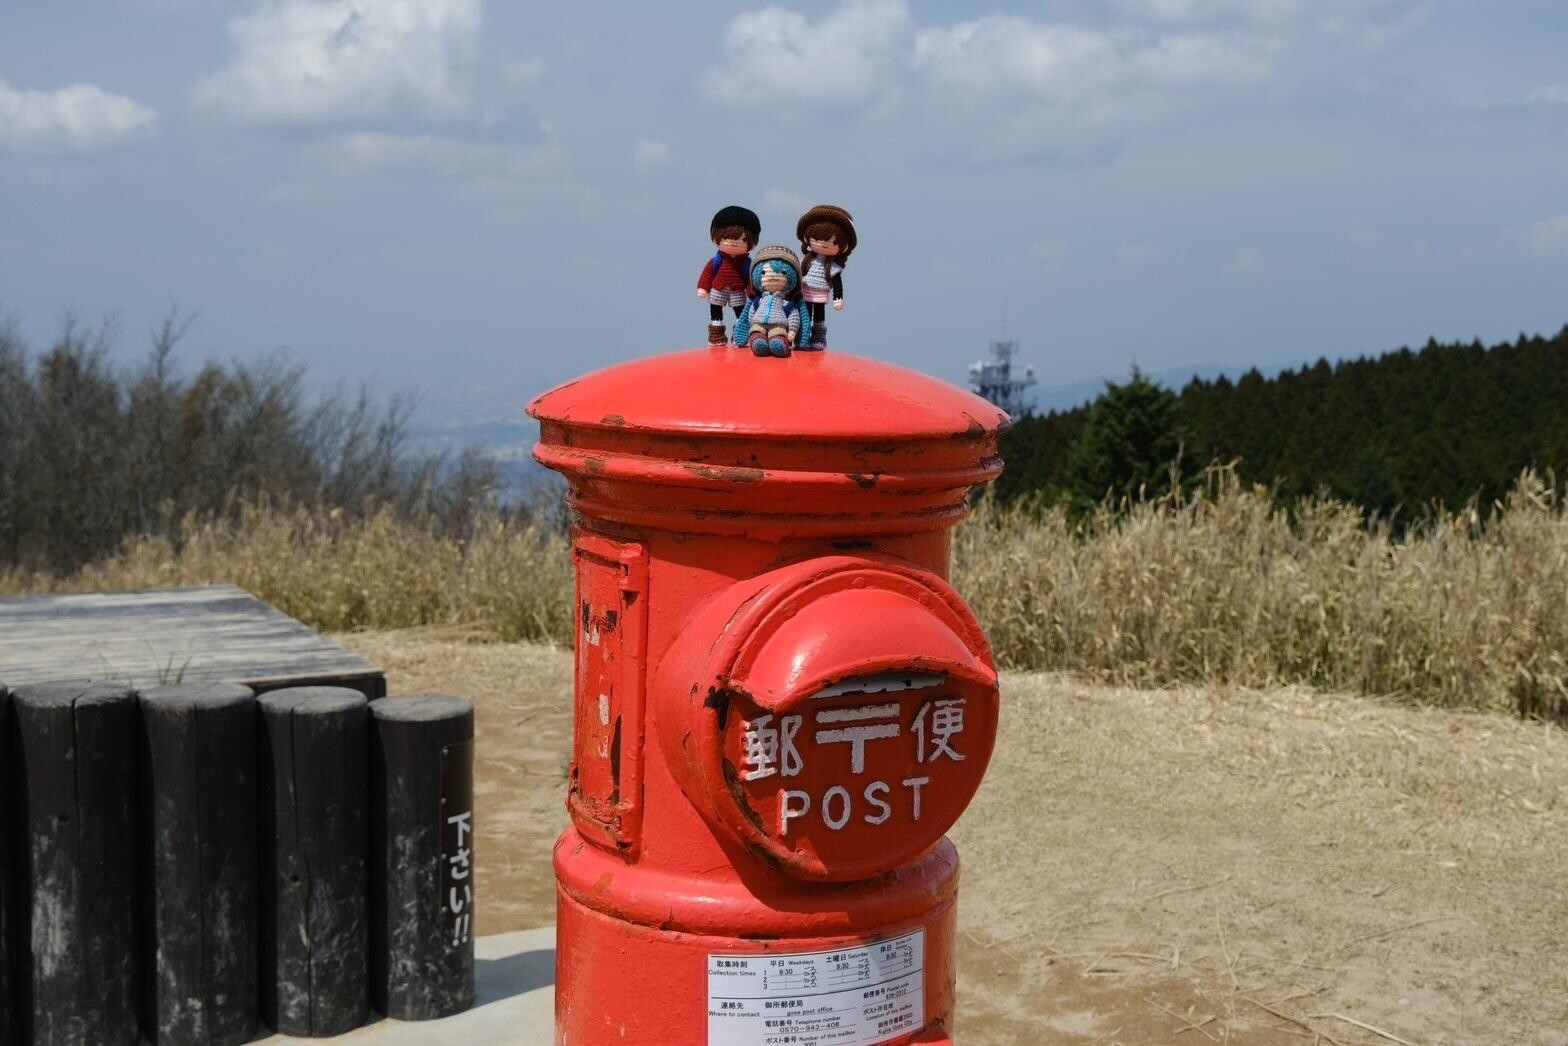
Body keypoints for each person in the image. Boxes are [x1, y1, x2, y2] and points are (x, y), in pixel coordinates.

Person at [696, 205, 761, 345]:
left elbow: (748, 278)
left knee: (740, 312)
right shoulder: (717, 260)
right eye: (726, 237)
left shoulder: (747, 263)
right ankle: (716, 334)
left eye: (743, 240)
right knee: (716, 311)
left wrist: (751, 291)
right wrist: (703, 287)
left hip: (737, 290)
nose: (733, 243)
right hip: (718, 289)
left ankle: (740, 335)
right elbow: (708, 273)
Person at [732, 245, 813, 358]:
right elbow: (750, 313)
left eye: (783, 273)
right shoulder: (758, 300)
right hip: (758, 325)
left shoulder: (787, 303)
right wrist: (751, 324)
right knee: (757, 335)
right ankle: (758, 341)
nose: (771, 277)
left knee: (778, 338)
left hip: (778, 326)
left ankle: (779, 343)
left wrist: (792, 331)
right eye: (763, 273)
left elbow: (794, 316)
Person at [794, 204, 856, 350]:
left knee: (819, 317)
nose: (824, 244)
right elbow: (797, 274)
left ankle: (818, 337)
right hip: (805, 292)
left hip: (820, 294)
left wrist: (838, 298)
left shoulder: (832, 267)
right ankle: (803, 337)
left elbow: (837, 281)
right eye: (817, 238)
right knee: (804, 315)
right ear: (807, 237)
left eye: (834, 242)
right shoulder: (805, 261)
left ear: (844, 247)